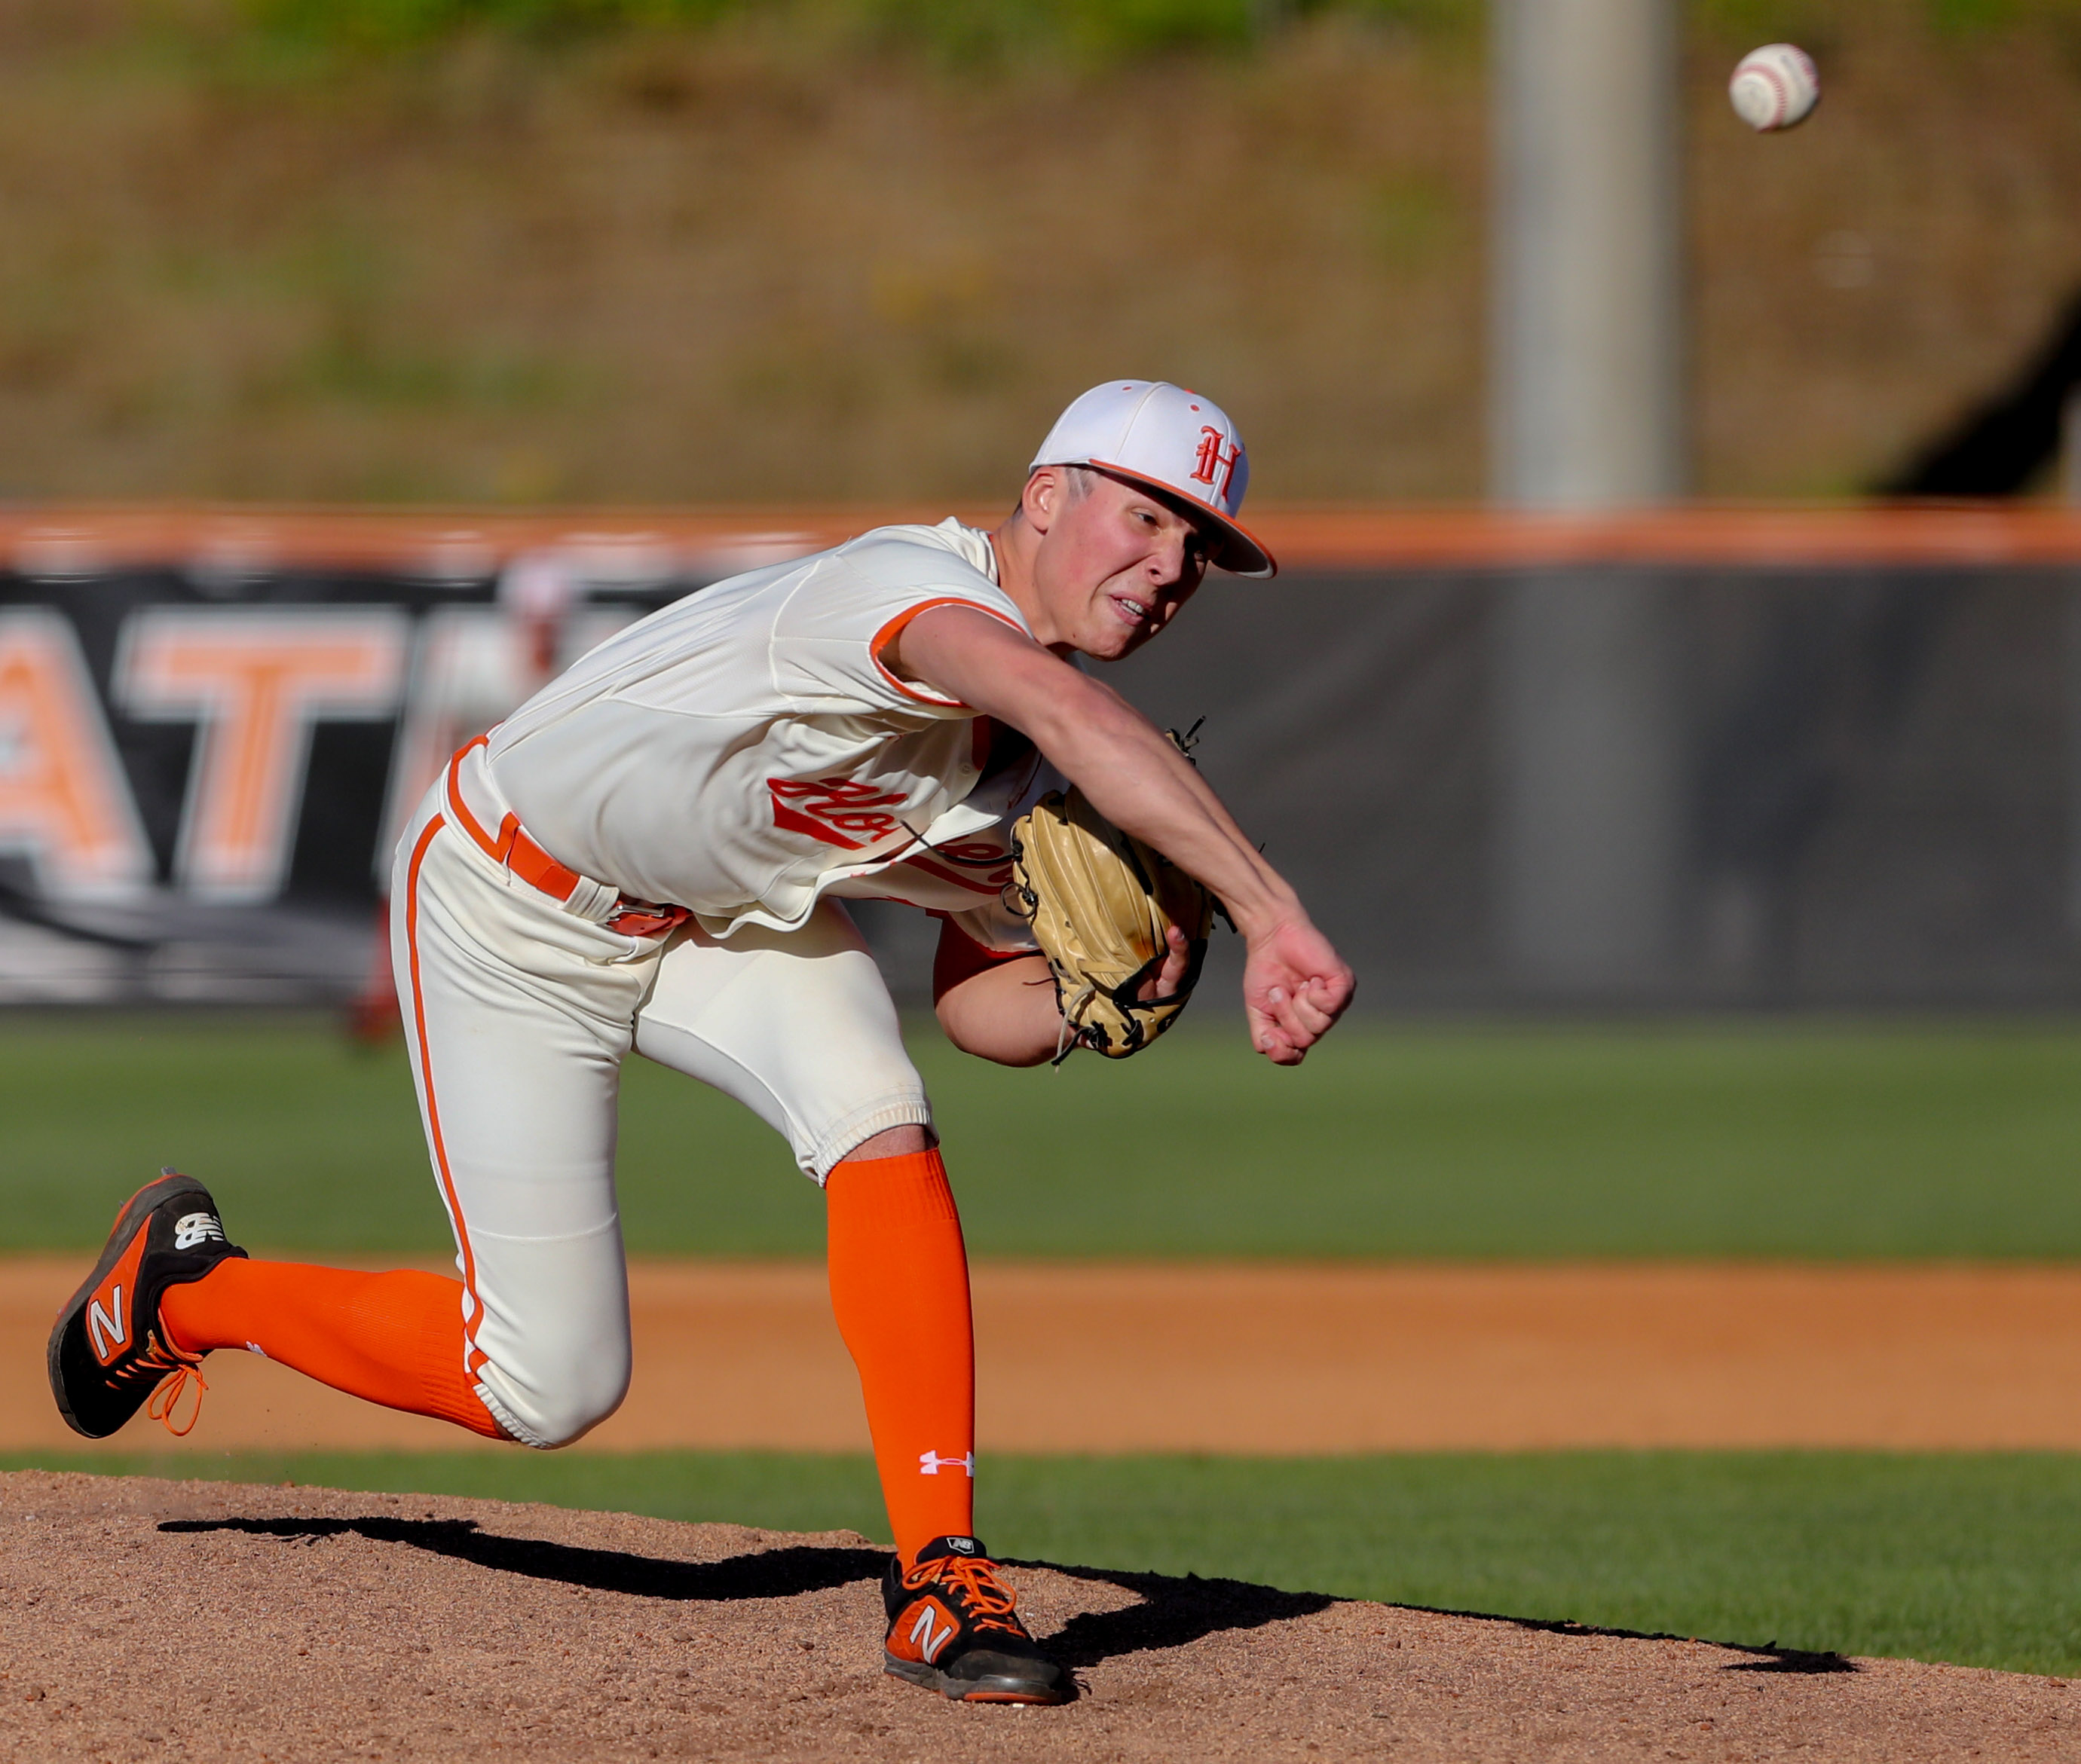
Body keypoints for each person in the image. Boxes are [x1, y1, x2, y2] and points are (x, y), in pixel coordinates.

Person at [49, 380, 1355, 1706]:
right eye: (1147, 517)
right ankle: (184, 1290)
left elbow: (977, 1008)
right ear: (1045, 496)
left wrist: (1093, 1002)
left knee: (878, 1107)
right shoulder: (909, 591)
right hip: (510, 901)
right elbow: (1066, 707)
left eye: (1199, 548)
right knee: (544, 1387)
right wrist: (1269, 912)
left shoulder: (1023, 779)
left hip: (713, 923)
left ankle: (940, 1579)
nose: (1170, 566)